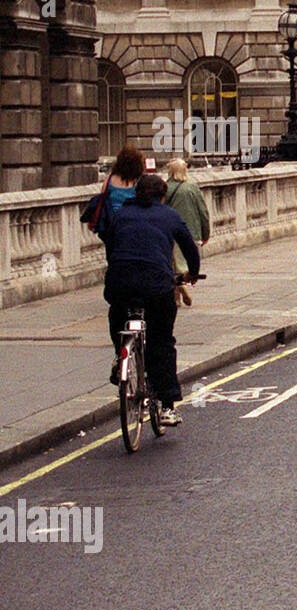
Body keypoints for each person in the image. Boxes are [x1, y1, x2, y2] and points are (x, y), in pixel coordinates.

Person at [104, 174, 200, 427]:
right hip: (156, 285)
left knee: (117, 314)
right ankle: (168, 406)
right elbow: (190, 249)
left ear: (136, 193)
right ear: (162, 196)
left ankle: (119, 354)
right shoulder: (170, 216)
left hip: (120, 280)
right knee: (162, 341)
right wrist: (192, 274)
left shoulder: (121, 215)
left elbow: (110, 247)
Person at [164, 159, 210, 307]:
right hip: (191, 232)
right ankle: (181, 287)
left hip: (171, 231)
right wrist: (206, 233)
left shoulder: (165, 188)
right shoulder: (192, 188)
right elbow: (203, 212)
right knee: (184, 265)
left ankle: (176, 295)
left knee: (172, 265)